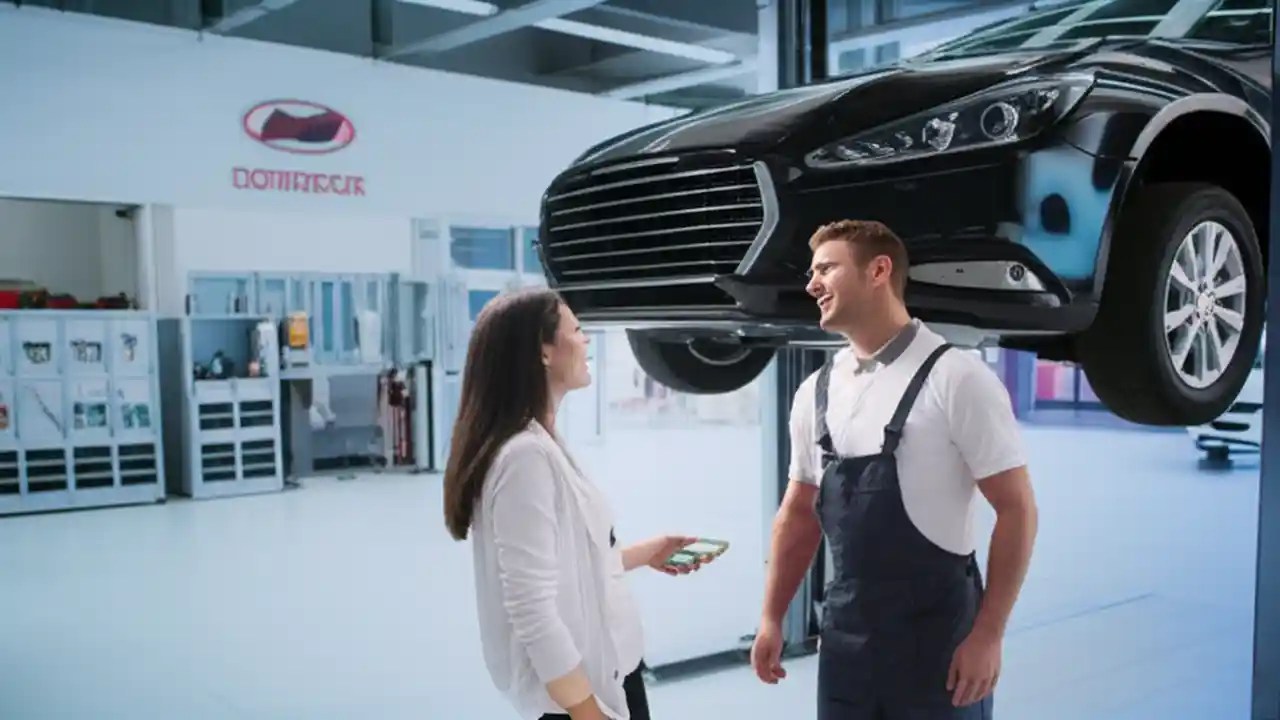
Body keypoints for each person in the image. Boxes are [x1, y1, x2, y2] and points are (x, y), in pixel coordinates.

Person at [749, 220, 1039, 719]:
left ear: (879, 270)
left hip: (942, 648)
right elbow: (798, 514)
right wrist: (772, 618)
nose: (811, 284)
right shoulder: (814, 391)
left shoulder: (957, 377)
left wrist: (989, 634)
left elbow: (1017, 509)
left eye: (826, 268)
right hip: (847, 648)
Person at [443, 287, 717, 720]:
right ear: (544, 352)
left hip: (608, 682)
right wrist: (588, 713)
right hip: (581, 699)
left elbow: (566, 564)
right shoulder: (524, 458)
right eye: (576, 329)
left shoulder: (541, 442)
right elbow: (532, 606)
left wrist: (648, 553)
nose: (587, 339)